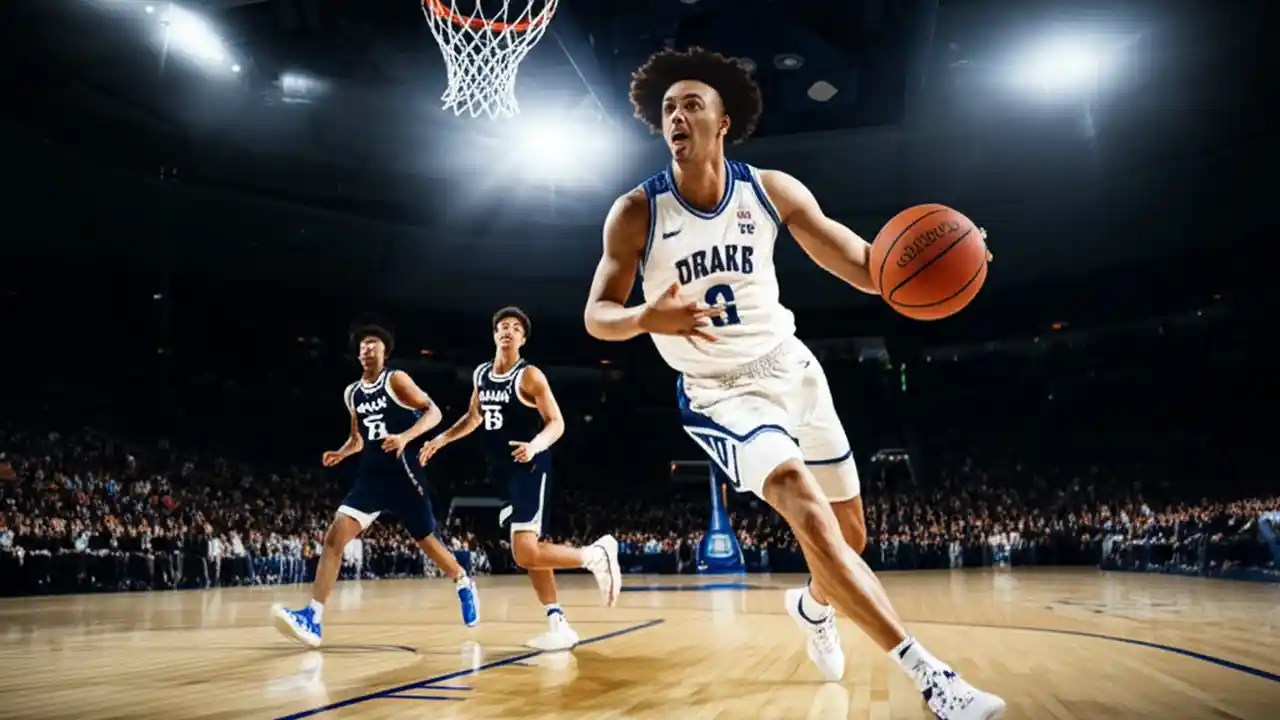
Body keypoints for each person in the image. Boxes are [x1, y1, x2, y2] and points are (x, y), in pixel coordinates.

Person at [583, 47, 1004, 718]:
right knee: (806, 510)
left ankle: (813, 607)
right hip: (721, 392)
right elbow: (596, 316)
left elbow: (871, 267)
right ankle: (931, 677)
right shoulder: (636, 212)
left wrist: (959, 251)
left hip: (793, 368)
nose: (678, 116)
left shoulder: (771, 190)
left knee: (850, 538)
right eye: (668, 109)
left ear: (724, 122)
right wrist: (644, 315)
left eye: (693, 104)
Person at [420, 306, 621, 651]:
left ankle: (594, 555)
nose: (508, 331)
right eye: (502, 326)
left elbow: (556, 422)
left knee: (524, 552)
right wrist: (440, 439)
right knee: (532, 554)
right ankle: (557, 623)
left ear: (523, 339)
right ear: (494, 335)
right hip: (502, 474)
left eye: (515, 328)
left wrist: (535, 445)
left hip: (529, 468)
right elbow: (473, 418)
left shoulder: (530, 376)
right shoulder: (481, 375)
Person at [271, 318, 479, 647]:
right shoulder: (352, 393)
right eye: (364, 344)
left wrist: (405, 437)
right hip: (371, 477)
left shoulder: (396, 380)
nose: (368, 348)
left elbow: (434, 413)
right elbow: (358, 438)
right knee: (334, 537)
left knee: (425, 539)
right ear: (358, 354)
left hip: (403, 472)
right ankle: (313, 617)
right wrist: (342, 452)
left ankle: (462, 579)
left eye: (375, 344)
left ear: (385, 352)